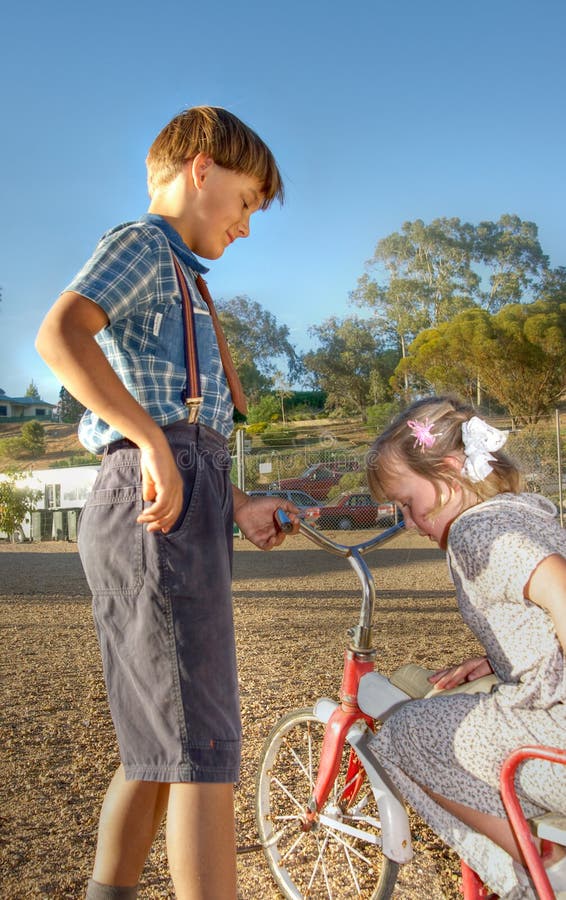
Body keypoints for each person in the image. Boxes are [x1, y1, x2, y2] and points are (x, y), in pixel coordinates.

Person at [36, 106, 298, 900]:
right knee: (200, 743)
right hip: (150, 501)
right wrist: (150, 442)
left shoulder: (189, 278)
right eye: (248, 201)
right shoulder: (143, 245)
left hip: (187, 495)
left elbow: (195, 436)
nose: (249, 224)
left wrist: (239, 501)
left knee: (164, 743)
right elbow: (60, 334)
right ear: (202, 168)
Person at [365, 395, 566, 899]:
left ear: (451, 471)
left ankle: (542, 870)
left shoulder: (475, 530)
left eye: (408, 503)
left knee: (405, 733)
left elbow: (559, 586)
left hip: (557, 746)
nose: (408, 521)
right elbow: (536, 598)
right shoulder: (523, 509)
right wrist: (505, 653)